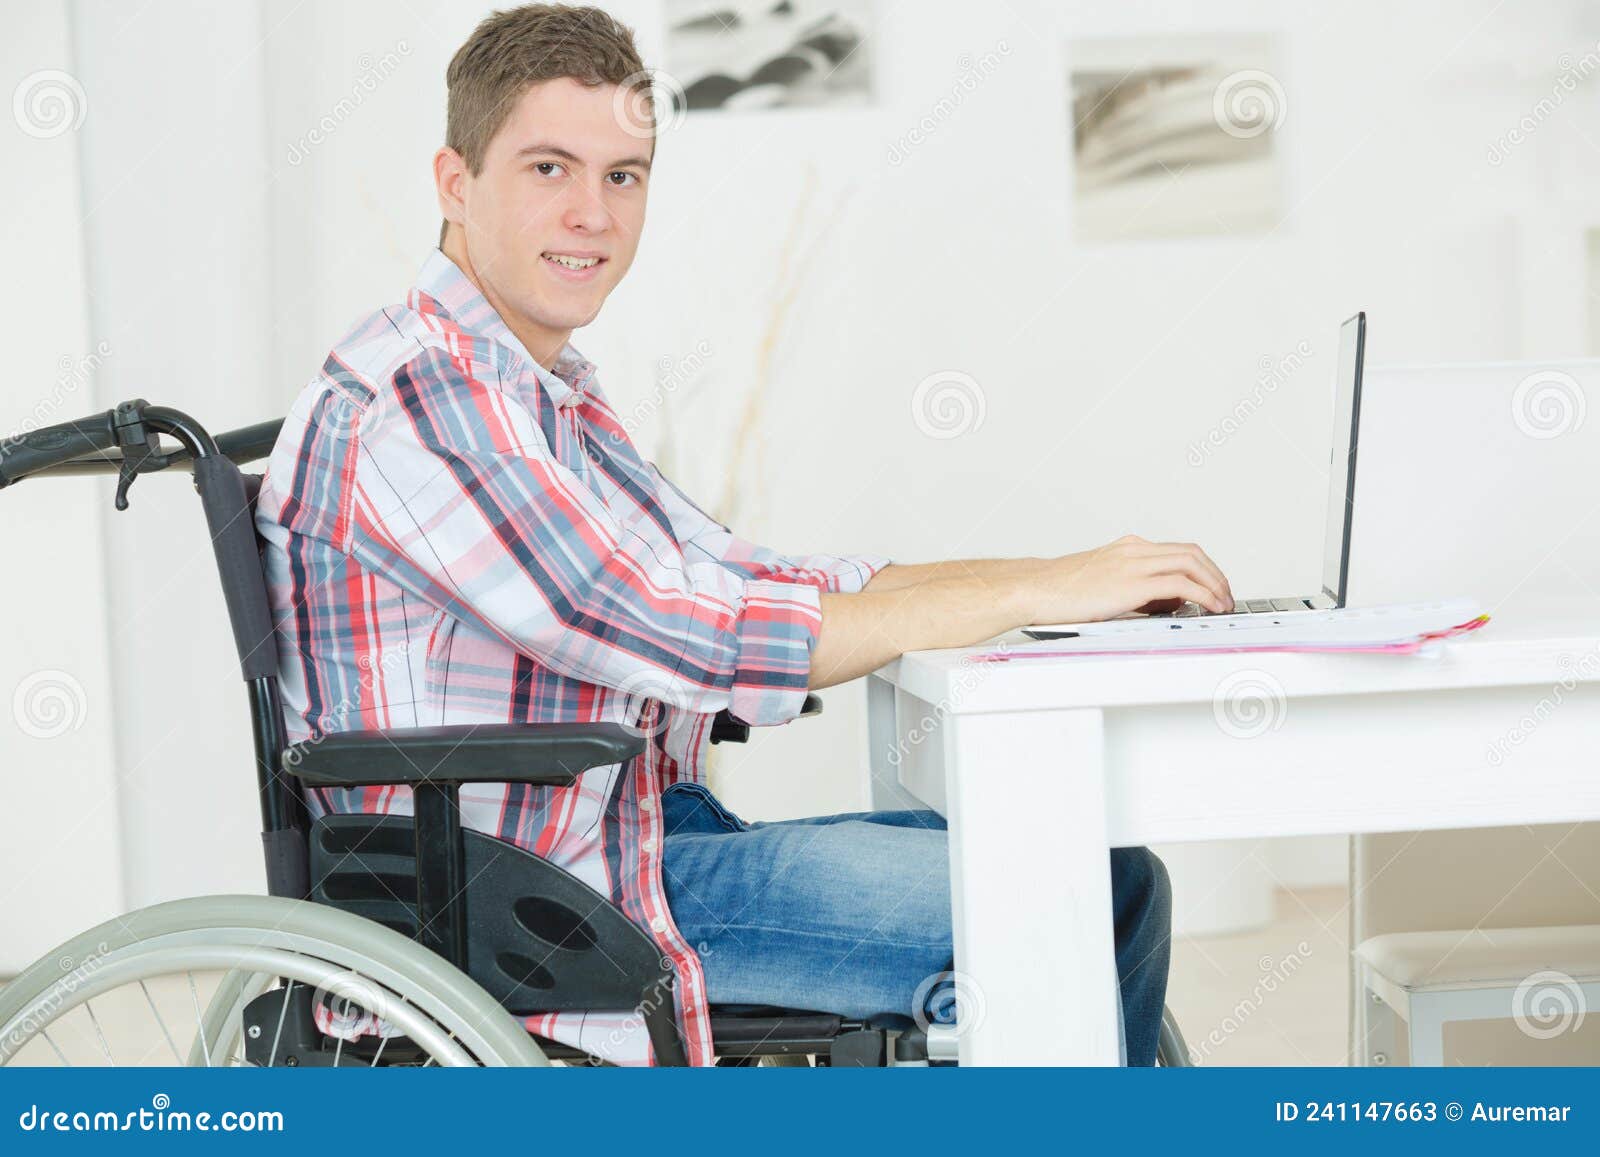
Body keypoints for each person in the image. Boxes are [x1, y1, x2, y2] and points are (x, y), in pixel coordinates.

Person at [256, 3, 1234, 1066]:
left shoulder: (534, 390)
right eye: (549, 168)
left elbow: (727, 569)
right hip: (534, 897)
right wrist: (1025, 598)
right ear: (455, 181)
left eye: (623, 175)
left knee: (1072, 858)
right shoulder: (424, 396)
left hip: (629, 841)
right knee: (1089, 891)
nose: (592, 211)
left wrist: (1053, 575)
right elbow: (669, 626)